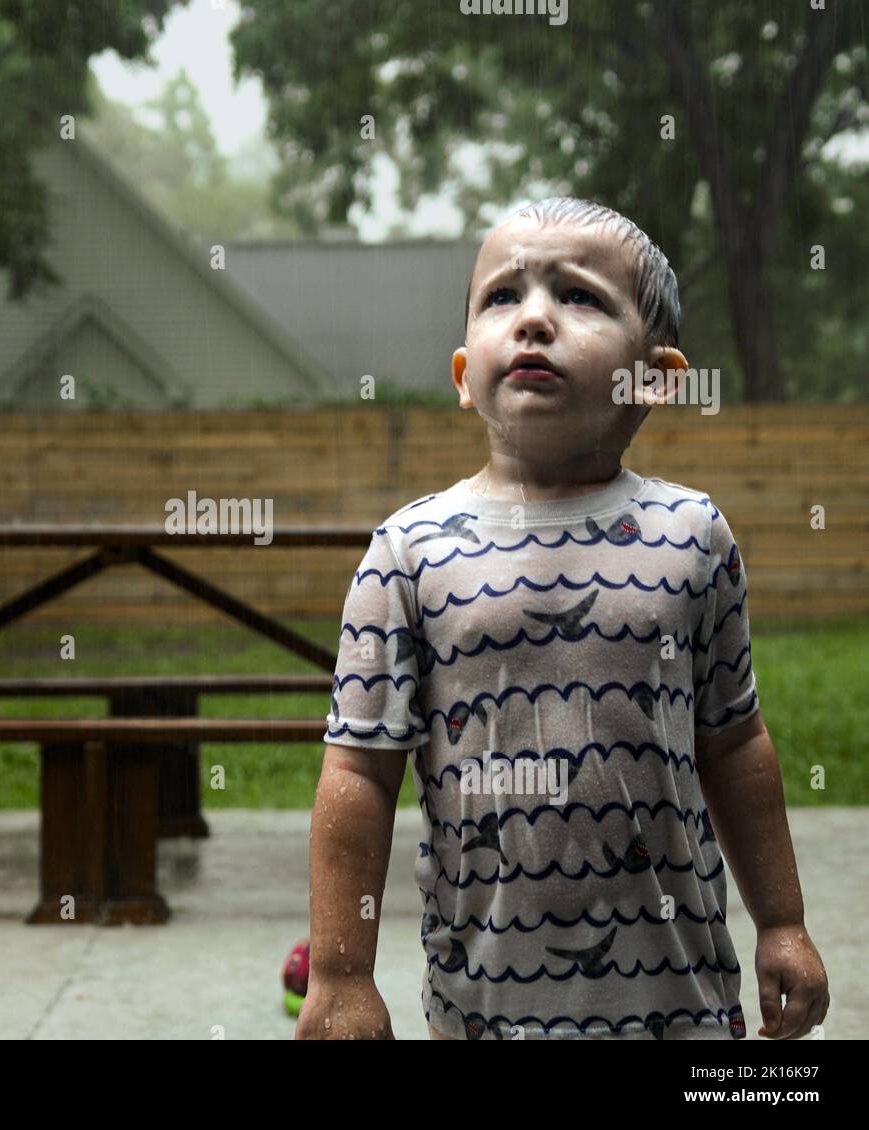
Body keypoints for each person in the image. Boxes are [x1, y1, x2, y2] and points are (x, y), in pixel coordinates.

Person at [297, 197, 830, 1040]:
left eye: (579, 297)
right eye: (503, 295)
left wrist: (783, 922)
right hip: (485, 1006)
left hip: (679, 998)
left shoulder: (693, 537)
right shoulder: (408, 555)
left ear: (655, 377)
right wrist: (340, 974)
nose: (535, 318)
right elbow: (358, 775)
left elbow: (733, 742)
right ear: (465, 373)